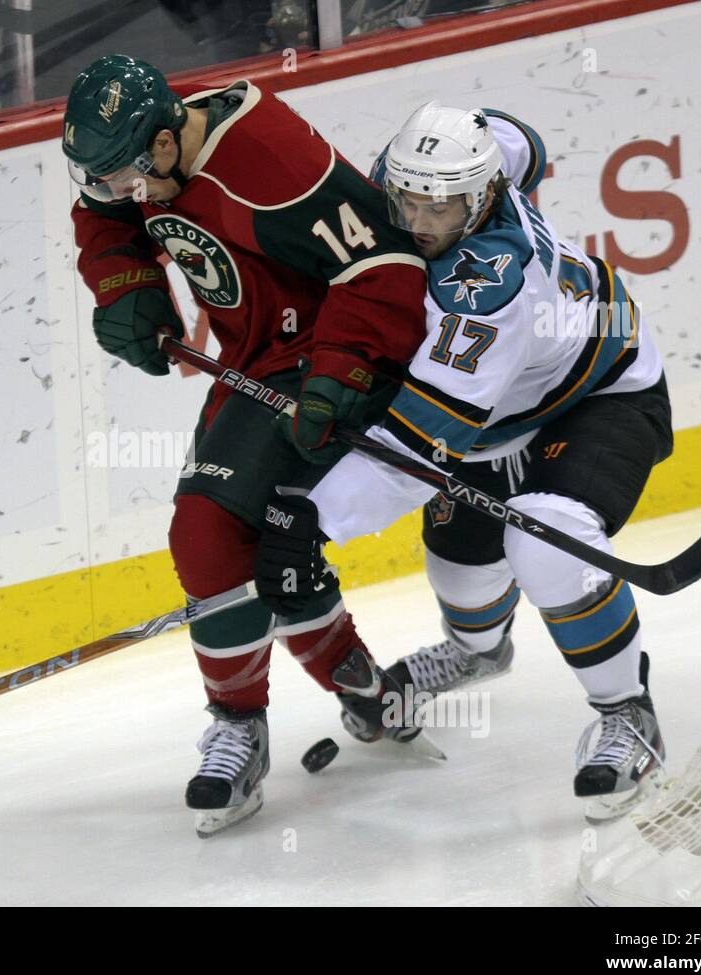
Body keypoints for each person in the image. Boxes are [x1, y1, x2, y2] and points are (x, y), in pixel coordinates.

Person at [255, 101, 672, 822]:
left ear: (479, 201)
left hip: (598, 392)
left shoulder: (489, 290)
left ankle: (628, 713)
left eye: (441, 209)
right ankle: (480, 652)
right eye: (408, 199)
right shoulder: (455, 167)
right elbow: (523, 138)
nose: (419, 221)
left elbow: (413, 450)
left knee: (543, 536)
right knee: (461, 577)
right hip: (492, 420)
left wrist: (314, 520)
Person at [63, 54, 429, 835]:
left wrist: (343, 370)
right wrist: (128, 286)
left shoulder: (270, 159)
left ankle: (241, 722)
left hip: (335, 355)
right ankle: (352, 685)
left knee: (211, 529)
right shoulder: (139, 159)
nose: (124, 195)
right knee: (250, 540)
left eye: (130, 176)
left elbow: (387, 261)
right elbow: (104, 217)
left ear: (166, 143)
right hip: (257, 363)